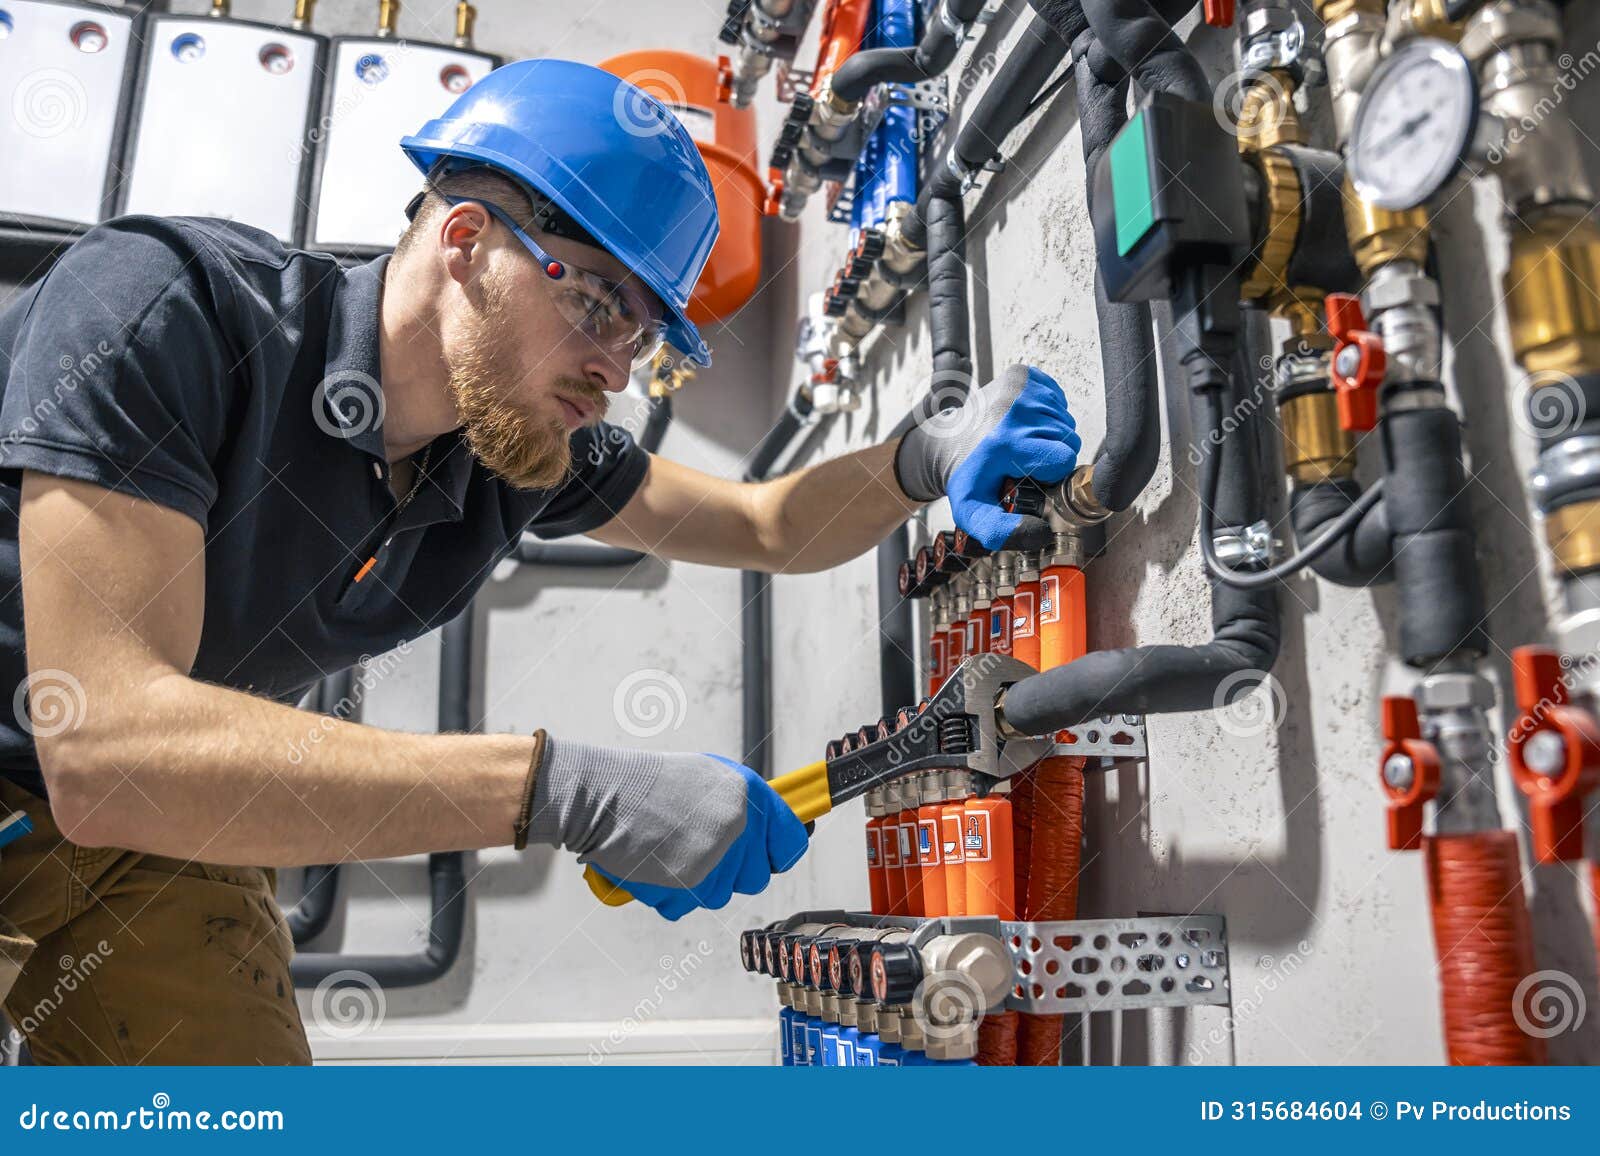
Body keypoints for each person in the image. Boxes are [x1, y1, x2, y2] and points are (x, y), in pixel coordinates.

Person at [0, 59, 1079, 1064]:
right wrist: (566, 789)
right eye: (596, 303)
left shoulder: (510, 448)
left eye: (645, 332)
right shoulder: (163, 310)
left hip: (167, 832)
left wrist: (921, 456)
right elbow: (110, 747)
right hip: (105, 771)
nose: (615, 364)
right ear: (465, 237)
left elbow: (763, 525)